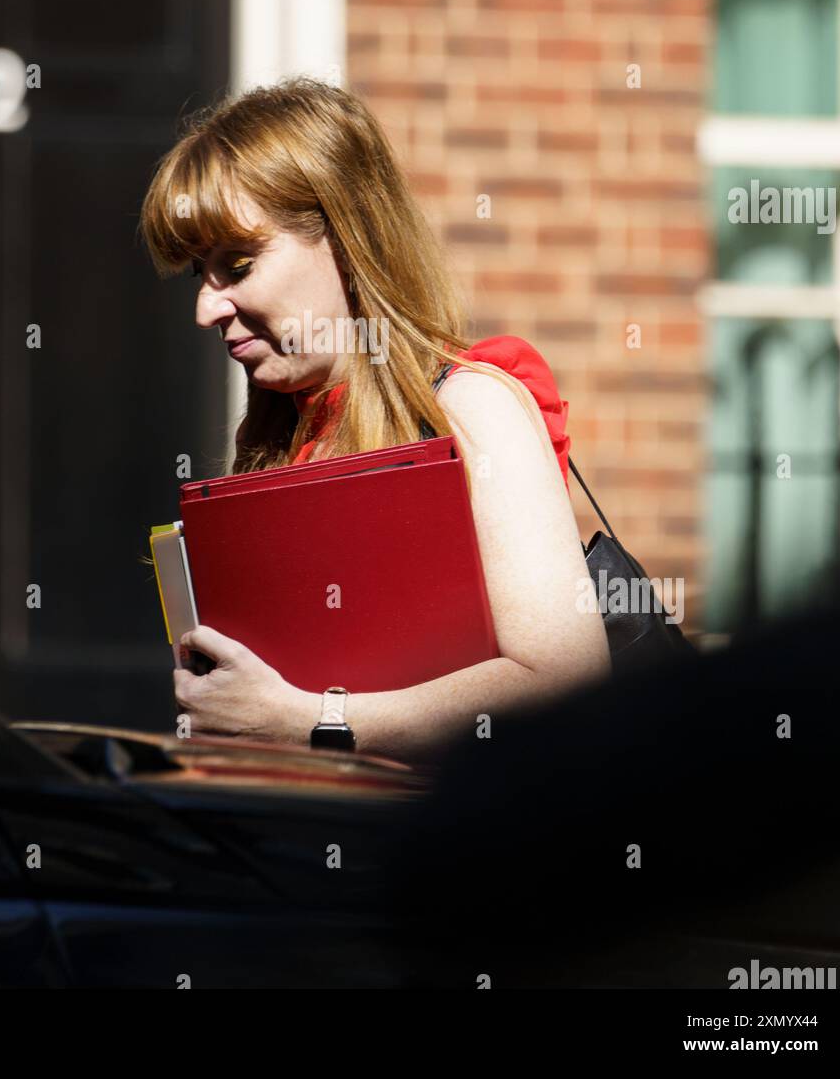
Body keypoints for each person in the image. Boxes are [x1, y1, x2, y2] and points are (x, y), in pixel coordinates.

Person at [139, 77, 611, 765]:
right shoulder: (277, 438)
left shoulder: (468, 406)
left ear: (349, 237)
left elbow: (564, 679)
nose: (206, 311)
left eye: (236, 265)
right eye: (197, 276)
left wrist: (306, 719)